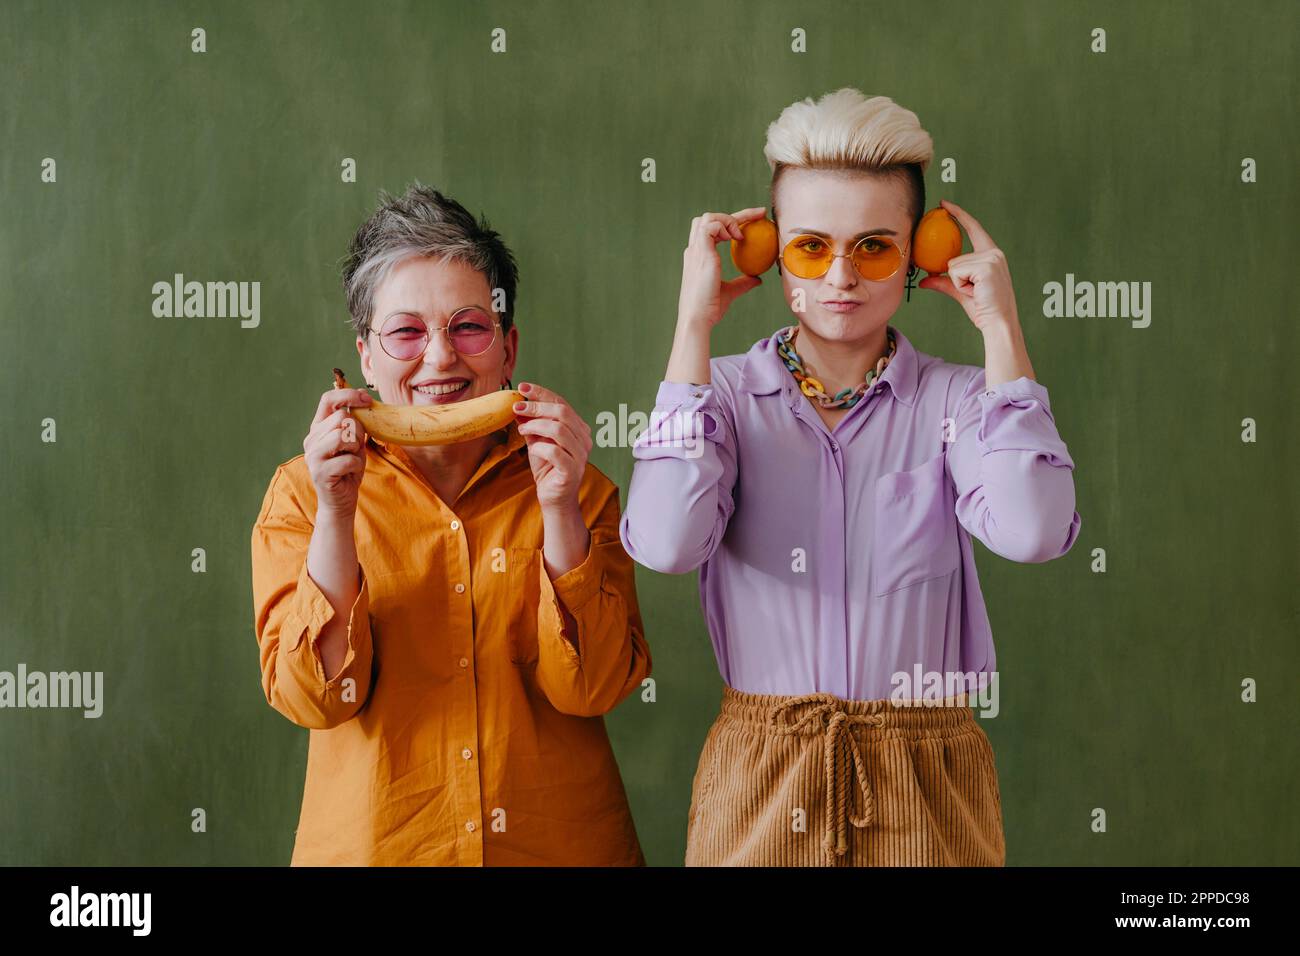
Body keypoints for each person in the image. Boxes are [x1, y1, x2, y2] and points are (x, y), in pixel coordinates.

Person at [619, 89, 1081, 866]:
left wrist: (1002, 331)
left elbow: (1034, 533)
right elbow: (666, 543)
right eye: (809, 247)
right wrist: (691, 328)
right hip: (762, 772)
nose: (840, 276)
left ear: (917, 256)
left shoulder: (963, 399)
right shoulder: (718, 396)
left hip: (926, 777)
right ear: (770, 253)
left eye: (873, 247)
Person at [251, 183, 651, 866]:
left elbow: (596, 688)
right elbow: (314, 698)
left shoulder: (576, 486)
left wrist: (558, 508)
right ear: (367, 357)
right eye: (406, 331)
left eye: (469, 326)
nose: (440, 358)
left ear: (507, 347)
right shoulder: (302, 494)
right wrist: (338, 514)